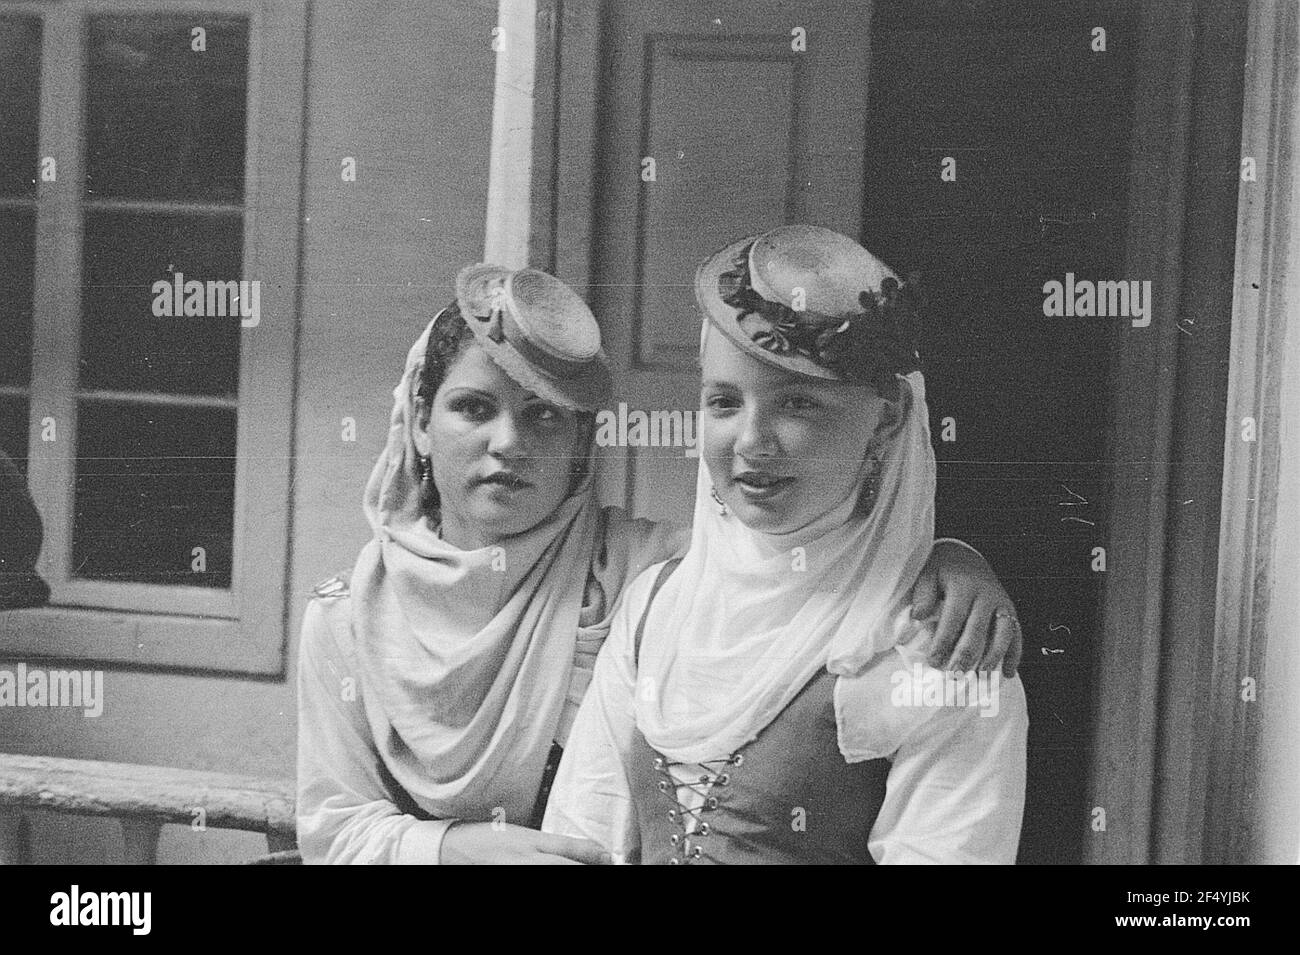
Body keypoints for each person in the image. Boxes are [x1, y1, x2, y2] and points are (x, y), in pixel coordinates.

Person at [296, 261, 1023, 864]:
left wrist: (954, 559)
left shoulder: (637, 573)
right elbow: (333, 828)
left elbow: (793, 572)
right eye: (472, 408)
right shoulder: (345, 617)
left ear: (585, 440)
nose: (509, 443)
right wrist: (457, 848)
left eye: (546, 413)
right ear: (418, 422)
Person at [543, 226, 1029, 864]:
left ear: (886, 423)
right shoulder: (654, 607)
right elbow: (580, 839)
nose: (749, 441)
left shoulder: (938, 646)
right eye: (723, 402)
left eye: (798, 405)